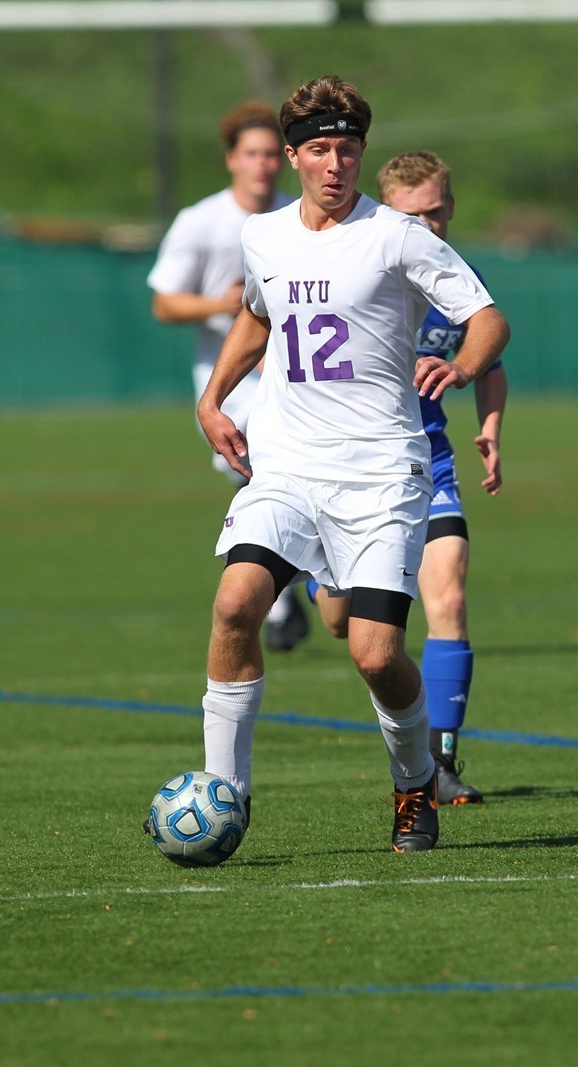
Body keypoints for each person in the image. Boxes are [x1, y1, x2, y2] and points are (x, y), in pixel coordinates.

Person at [194, 75, 511, 853]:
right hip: (287, 466)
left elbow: (487, 318)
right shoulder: (264, 236)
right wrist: (213, 396)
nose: (335, 165)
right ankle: (224, 793)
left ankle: (415, 781)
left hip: (381, 474)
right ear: (293, 157)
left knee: (375, 653)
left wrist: (464, 366)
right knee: (235, 604)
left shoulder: (398, 236)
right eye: (320, 151)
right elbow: (257, 315)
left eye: (347, 149)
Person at [307, 151, 506, 806]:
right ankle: (321, 583)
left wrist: (490, 426)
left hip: (427, 462)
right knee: (342, 620)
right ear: (386, 213)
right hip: (347, 467)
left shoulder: (458, 278)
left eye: (438, 212)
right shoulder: (354, 272)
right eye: (414, 217)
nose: (429, 227)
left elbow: (490, 356)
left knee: (448, 596)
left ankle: (440, 760)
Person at [147, 100, 309, 652]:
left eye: (271, 154)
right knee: (254, 465)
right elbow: (165, 302)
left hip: (296, 369)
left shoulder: (298, 214)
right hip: (229, 375)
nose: (263, 165)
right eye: (252, 154)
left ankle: (291, 591)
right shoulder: (202, 221)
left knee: (291, 466)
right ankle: (284, 595)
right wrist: (227, 306)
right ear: (232, 160)